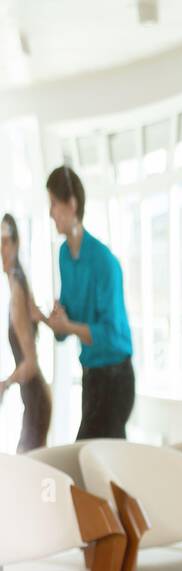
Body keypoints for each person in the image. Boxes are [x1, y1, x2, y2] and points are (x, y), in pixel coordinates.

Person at [40, 166, 134, 439]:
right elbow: (65, 328)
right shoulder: (64, 256)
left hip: (116, 379)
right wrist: (53, 319)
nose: (50, 213)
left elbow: (111, 336)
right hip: (91, 376)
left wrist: (68, 326)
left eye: (54, 204)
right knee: (95, 466)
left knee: (86, 460)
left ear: (72, 204)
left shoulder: (105, 262)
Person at [0, 214, 52, 451]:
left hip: (36, 400)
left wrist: (6, 382)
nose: (2, 248)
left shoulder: (18, 290)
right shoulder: (17, 285)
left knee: (27, 469)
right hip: (33, 399)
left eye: (5, 241)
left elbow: (30, 363)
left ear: (16, 243)